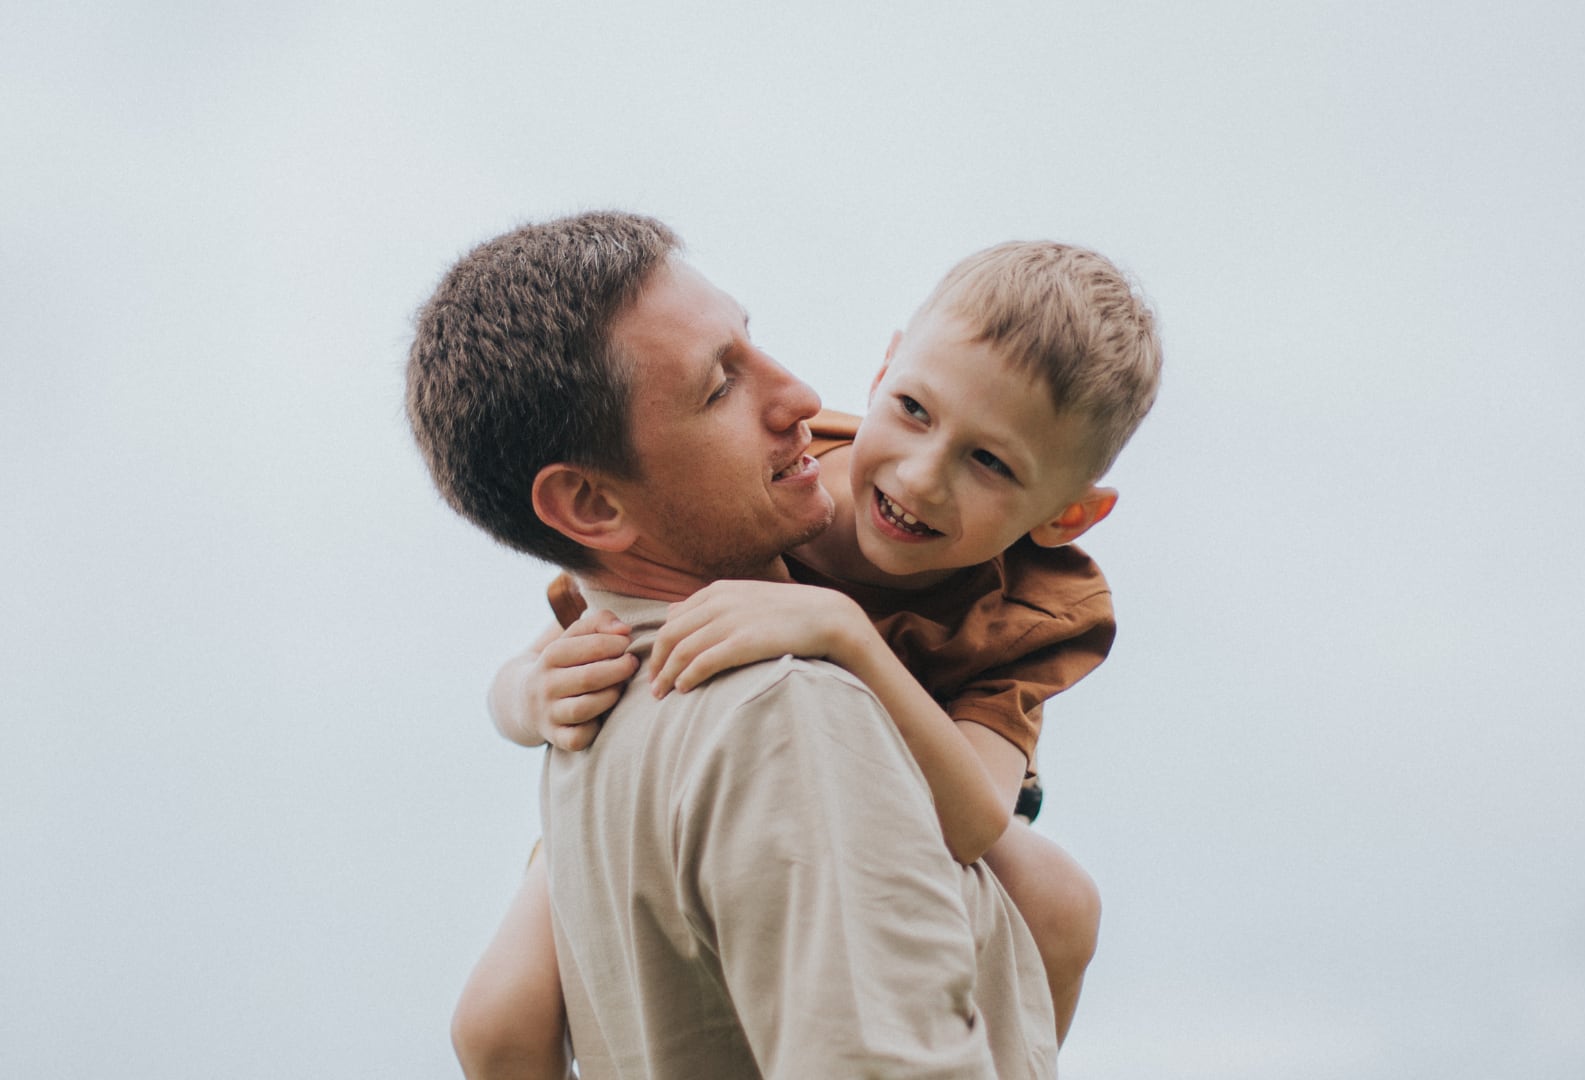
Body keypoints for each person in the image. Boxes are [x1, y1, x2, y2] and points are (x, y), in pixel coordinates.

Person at [455, 234, 1162, 1079]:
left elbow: (974, 819)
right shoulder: (780, 475)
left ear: (1067, 517)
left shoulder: (1029, 605)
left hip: (919, 780)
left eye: (990, 462)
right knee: (493, 1025)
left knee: (1060, 905)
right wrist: (525, 698)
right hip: (712, 785)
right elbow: (583, 618)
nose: (921, 476)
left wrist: (846, 636)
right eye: (913, 410)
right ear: (886, 366)